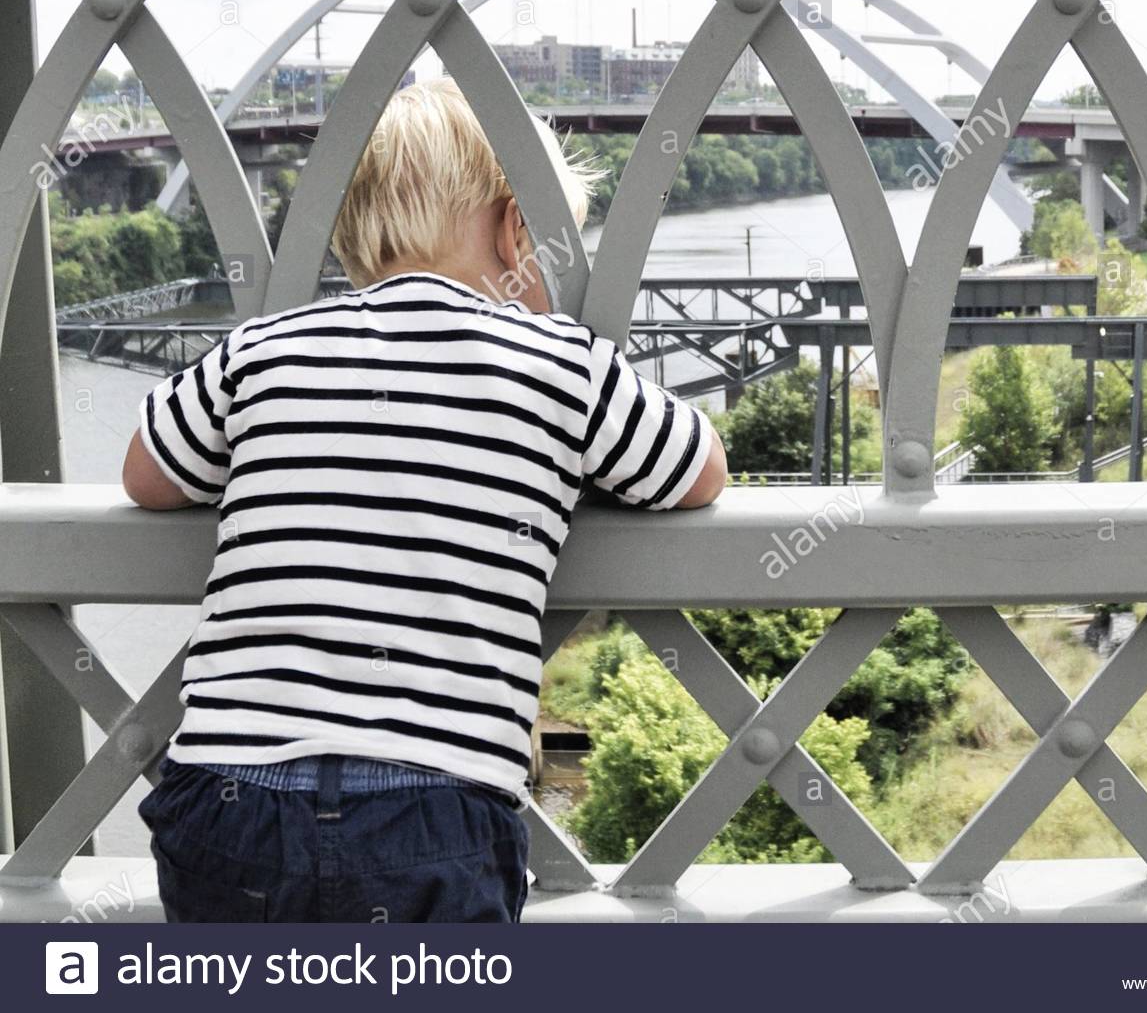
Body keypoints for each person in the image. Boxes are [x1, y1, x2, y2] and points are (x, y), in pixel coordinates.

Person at [123, 78, 727, 922]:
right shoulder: (561, 364)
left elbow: (148, 476)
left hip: (229, 797)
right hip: (435, 804)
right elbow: (698, 471)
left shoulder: (264, 347)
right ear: (520, 226)